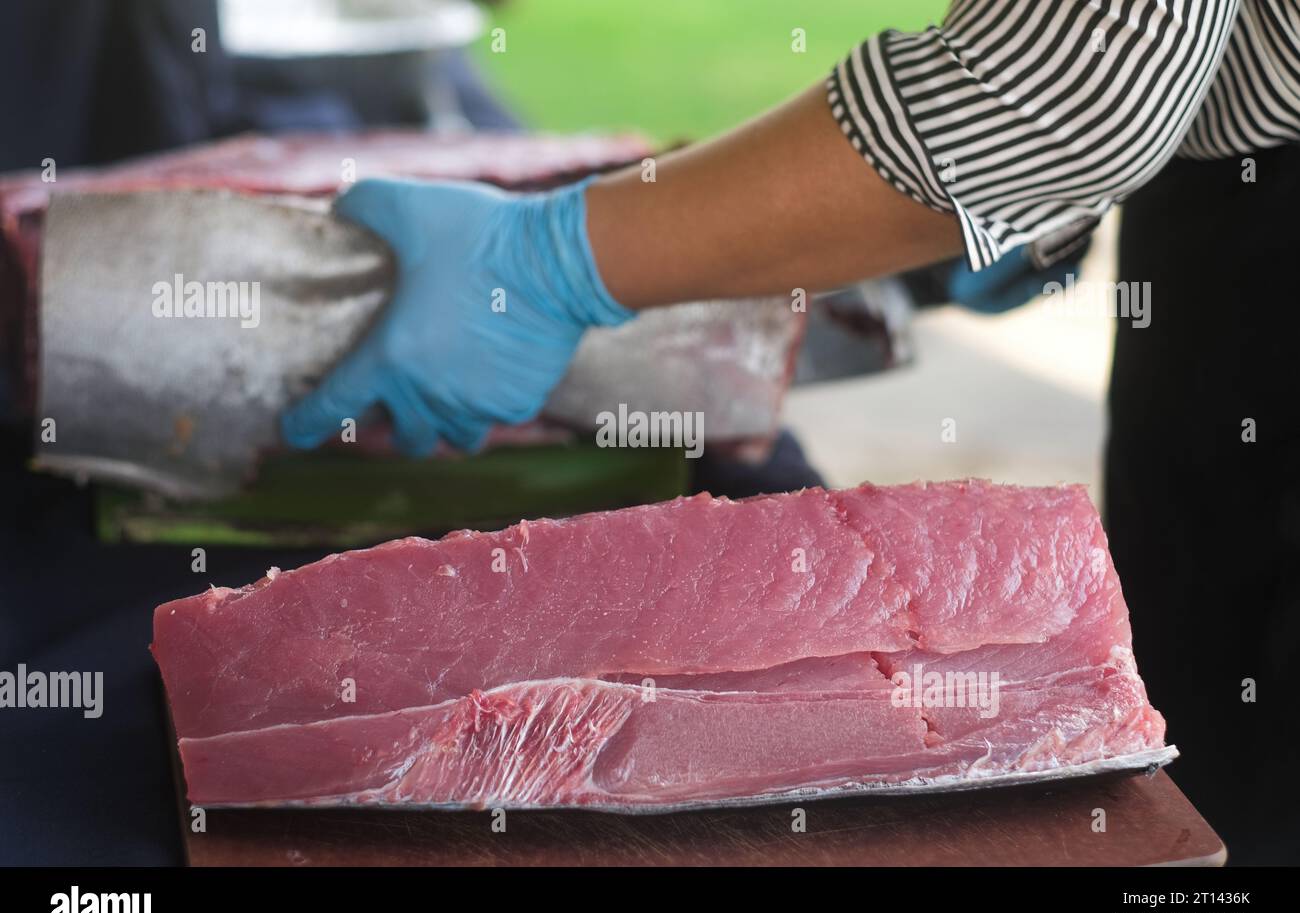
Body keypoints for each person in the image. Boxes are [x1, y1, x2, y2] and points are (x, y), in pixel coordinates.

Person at [281, 0, 1300, 865]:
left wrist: (550, 260)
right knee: (1205, 739)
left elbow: (1076, 82)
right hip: (1229, 185)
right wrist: (1002, 201)